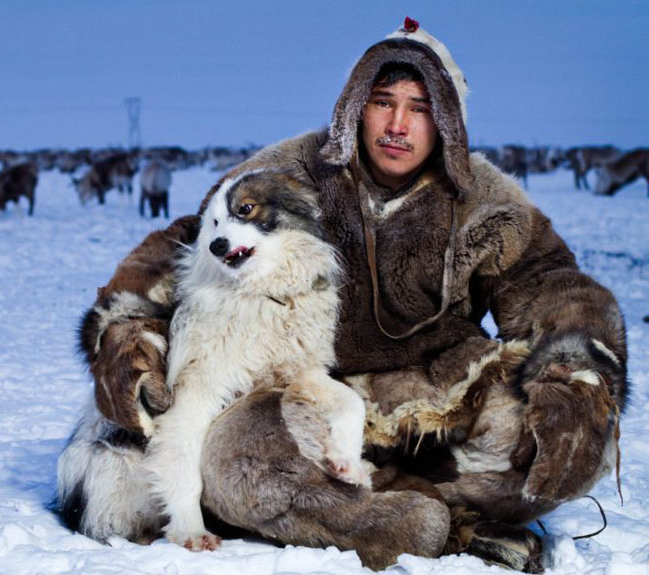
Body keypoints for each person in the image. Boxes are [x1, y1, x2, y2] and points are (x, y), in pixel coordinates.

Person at [56, 18, 628, 573]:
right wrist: (126, 331)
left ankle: (389, 502)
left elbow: (551, 282)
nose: (397, 125)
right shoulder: (290, 170)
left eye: (420, 109)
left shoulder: (486, 202)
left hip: (438, 393)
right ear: (356, 105)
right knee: (234, 464)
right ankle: (426, 529)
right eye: (383, 102)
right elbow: (189, 240)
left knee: (556, 436)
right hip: (301, 394)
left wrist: (581, 373)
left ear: (448, 123)